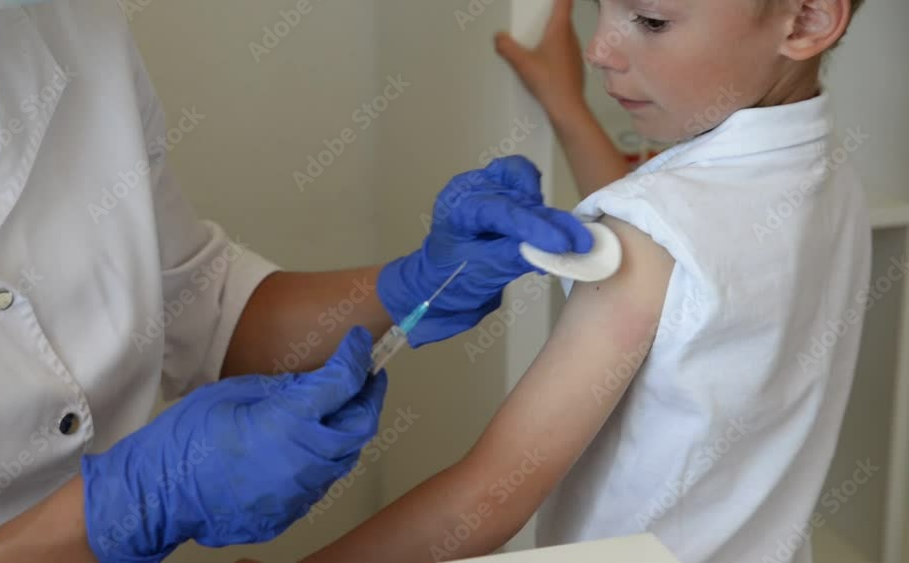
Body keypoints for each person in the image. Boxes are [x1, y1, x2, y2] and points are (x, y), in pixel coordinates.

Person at [0, 0, 594, 561]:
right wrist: (135, 501)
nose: (605, 52)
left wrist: (409, 285)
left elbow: (195, 307)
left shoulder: (67, 23)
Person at [299, 0, 871, 562]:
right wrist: (567, 106)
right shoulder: (826, 173)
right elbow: (658, 251)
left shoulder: (660, 230)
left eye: (650, 20)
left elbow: (489, 498)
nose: (598, 50)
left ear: (806, 20)